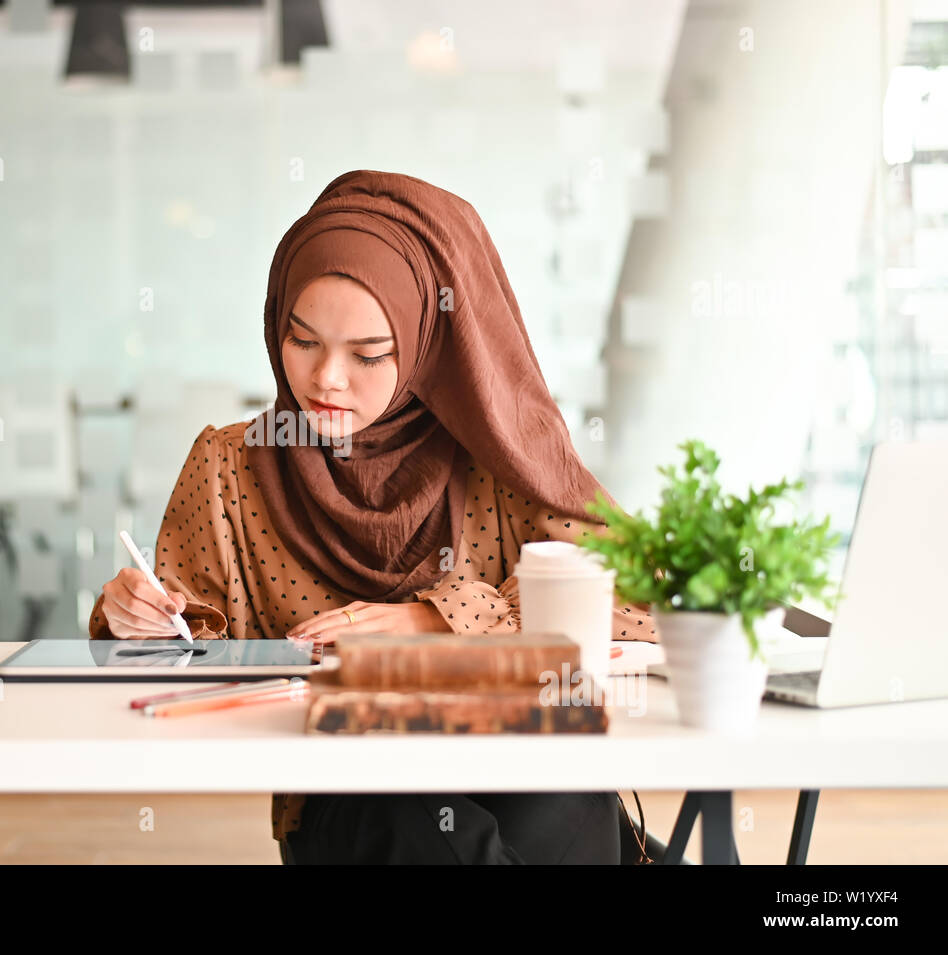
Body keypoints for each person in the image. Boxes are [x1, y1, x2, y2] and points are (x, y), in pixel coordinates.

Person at [90, 169, 657, 864]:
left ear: (427, 344)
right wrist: (134, 619)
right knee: (403, 811)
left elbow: (637, 595)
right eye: (303, 342)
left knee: (563, 790)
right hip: (347, 787)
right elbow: (190, 645)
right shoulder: (229, 467)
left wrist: (439, 617)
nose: (327, 378)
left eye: (368, 354)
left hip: (517, 750)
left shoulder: (503, 454)